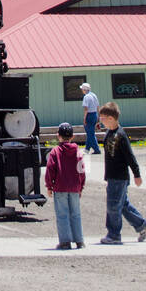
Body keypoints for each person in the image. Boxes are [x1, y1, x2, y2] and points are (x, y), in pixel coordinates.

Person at [98, 101, 146, 244]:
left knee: (113, 205)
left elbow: (130, 156)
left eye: (103, 118)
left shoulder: (120, 135)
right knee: (122, 205)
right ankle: (143, 225)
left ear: (111, 118)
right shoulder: (109, 133)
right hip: (112, 176)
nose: (101, 121)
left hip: (119, 177)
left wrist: (137, 174)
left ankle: (114, 235)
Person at [45, 121, 85, 249]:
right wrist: (81, 186)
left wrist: (49, 186)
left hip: (60, 186)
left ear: (58, 136)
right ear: (72, 136)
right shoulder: (78, 151)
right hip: (74, 187)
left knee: (62, 214)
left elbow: (50, 169)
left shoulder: (55, 151)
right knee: (76, 213)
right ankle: (79, 240)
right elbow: (82, 170)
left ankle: (65, 241)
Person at [80, 82, 100, 154]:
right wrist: (99, 116)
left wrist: (84, 118)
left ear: (84, 89)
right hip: (95, 114)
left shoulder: (86, 97)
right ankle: (87, 149)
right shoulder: (94, 95)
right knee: (90, 132)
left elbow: (86, 109)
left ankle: (96, 149)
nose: (82, 90)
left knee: (90, 133)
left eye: (82, 89)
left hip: (89, 115)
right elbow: (98, 106)